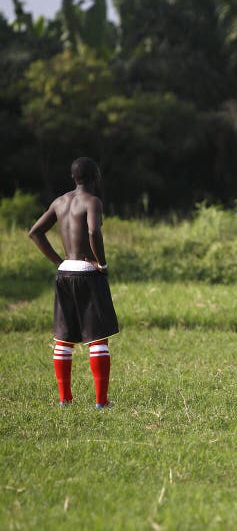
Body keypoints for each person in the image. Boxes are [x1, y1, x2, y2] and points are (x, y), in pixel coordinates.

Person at [28, 157, 119, 409]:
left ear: (73, 177)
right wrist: (101, 263)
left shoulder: (59, 202)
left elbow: (35, 232)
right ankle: (101, 402)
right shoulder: (93, 201)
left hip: (65, 272)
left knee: (64, 339)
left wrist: (59, 262)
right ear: (96, 176)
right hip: (88, 274)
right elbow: (93, 232)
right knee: (98, 337)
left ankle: (65, 399)